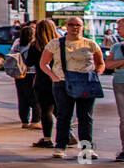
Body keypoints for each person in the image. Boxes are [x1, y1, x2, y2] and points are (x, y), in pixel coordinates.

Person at [39, 16, 105, 160]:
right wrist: (54, 77)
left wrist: (96, 75)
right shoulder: (56, 44)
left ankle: (87, 150)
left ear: (82, 27)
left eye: (78, 25)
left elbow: (100, 62)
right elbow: (44, 63)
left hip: (85, 83)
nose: (74, 27)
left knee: (85, 117)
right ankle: (60, 147)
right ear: (66, 26)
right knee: (64, 115)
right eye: (71, 24)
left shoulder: (90, 44)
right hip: (63, 83)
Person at [106, 16, 124, 162]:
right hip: (120, 83)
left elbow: (114, 64)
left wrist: (118, 64)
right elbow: (108, 65)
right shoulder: (116, 46)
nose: (117, 29)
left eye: (120, 26)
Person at [27, 19, 61, 150]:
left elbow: (29, 62)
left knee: (46, 110)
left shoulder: (36, 45)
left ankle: (47, 139)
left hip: (42, 81)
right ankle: (67, 134)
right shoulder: (60, 44)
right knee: (60, 110)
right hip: (59, 79)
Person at [10, 23, 38, 129]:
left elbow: (12, 55)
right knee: (35, 98)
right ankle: (35, 120)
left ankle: (24, 121)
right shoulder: (34, 44)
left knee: (22, 98)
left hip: (19, 73)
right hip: (32, 73)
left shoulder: (17, 43)